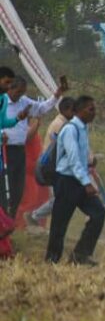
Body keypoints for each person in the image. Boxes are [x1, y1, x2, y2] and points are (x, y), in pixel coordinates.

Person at [44, 95, 103, 265]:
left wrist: (90, 168)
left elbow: (82, 157)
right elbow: (73, 159)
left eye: (94, 109)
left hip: (79, 179)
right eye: (90, 109)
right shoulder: (70, 129)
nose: (94, 113)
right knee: (60, 224)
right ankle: (51, 260)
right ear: (78, 111)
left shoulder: (83, 128)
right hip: (67, 181)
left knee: (98, 213)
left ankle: (80, 255)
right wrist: (86, 183)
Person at [2, 74, 63, 217]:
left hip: (19, 151)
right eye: (18, 92)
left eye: (22, 93)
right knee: (4, 188)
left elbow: (41, 108)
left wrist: (56, 95)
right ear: (10, 88)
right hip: (4, 150)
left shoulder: (24, 102)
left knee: (17, 188)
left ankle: (9, 222)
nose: (19, 96)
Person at [26, 96, 76, 228]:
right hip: (52, 166)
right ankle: (35, 215)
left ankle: (40, 218)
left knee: (61, 198)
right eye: (73, 110)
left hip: (55, 165)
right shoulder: (59, 124)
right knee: (58, 199)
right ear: (65, 110)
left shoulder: (64, 123)